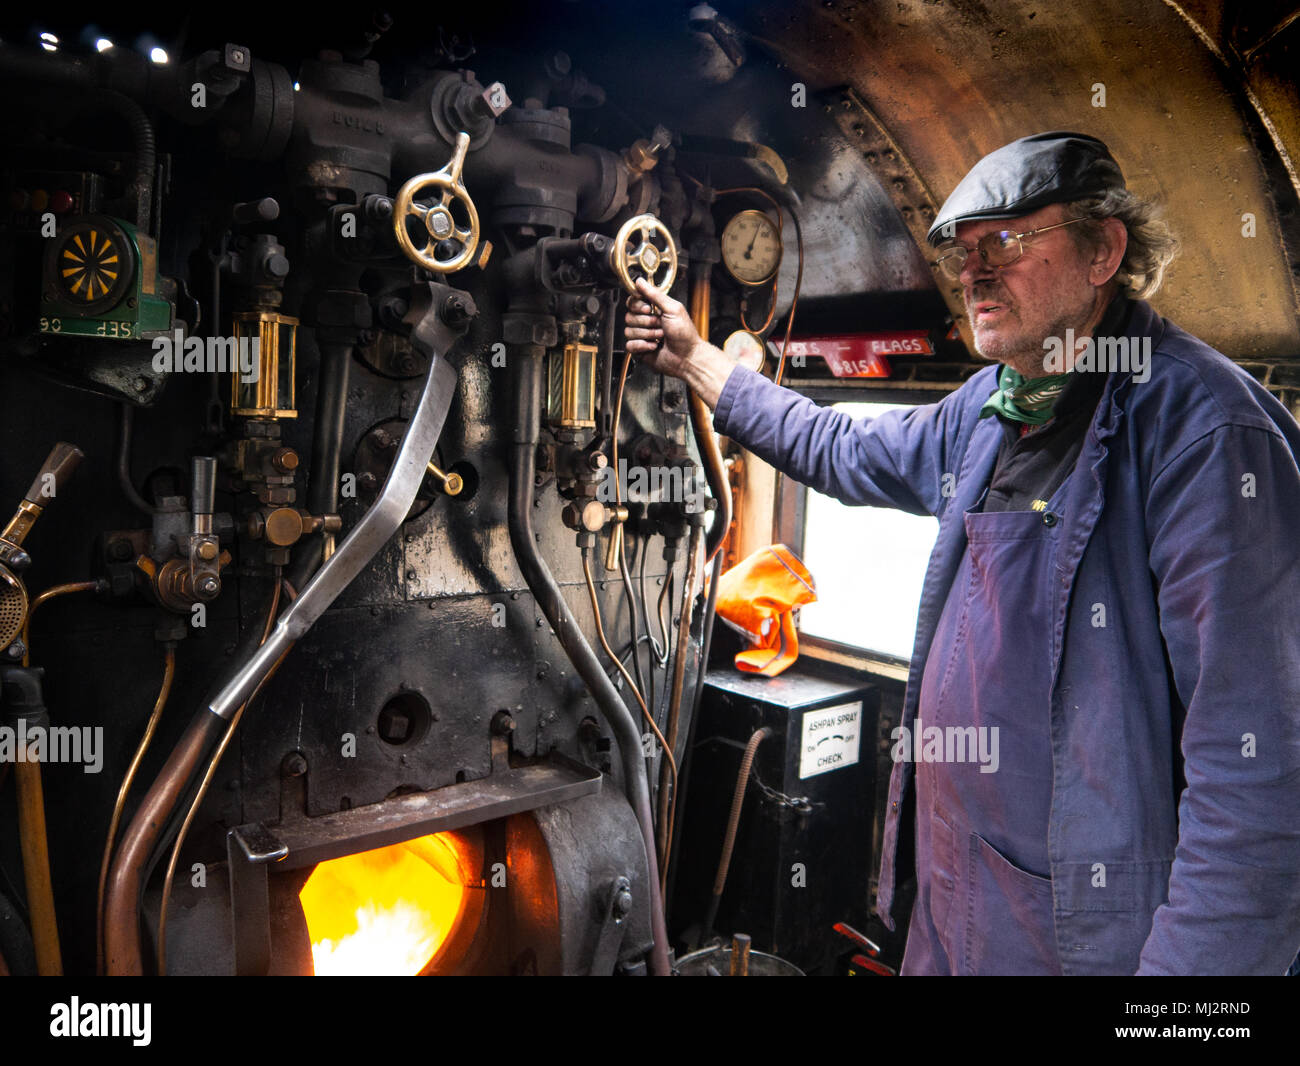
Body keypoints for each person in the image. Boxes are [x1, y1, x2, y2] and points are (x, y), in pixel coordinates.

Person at [624, 131, 1300, 975]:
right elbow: (840, 448)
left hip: (1088, 935)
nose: (974, 272)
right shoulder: (992, 403)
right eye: (964, 252)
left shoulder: (1202, 434)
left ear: (1104, 251)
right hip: (955, 897)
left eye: (1006, 243)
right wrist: (697, 360)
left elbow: (1260, 780)